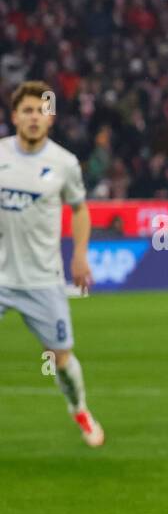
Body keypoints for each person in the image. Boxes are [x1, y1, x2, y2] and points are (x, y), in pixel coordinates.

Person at [0, 80, 104, 446]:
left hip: (43, 280)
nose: (33, 117)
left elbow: (79, 209)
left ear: (50, 118)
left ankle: (79, 409)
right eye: (26, 110)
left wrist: (79, 254)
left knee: (60, 358)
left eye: (40, 110)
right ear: (14, 116)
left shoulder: (64, 163)